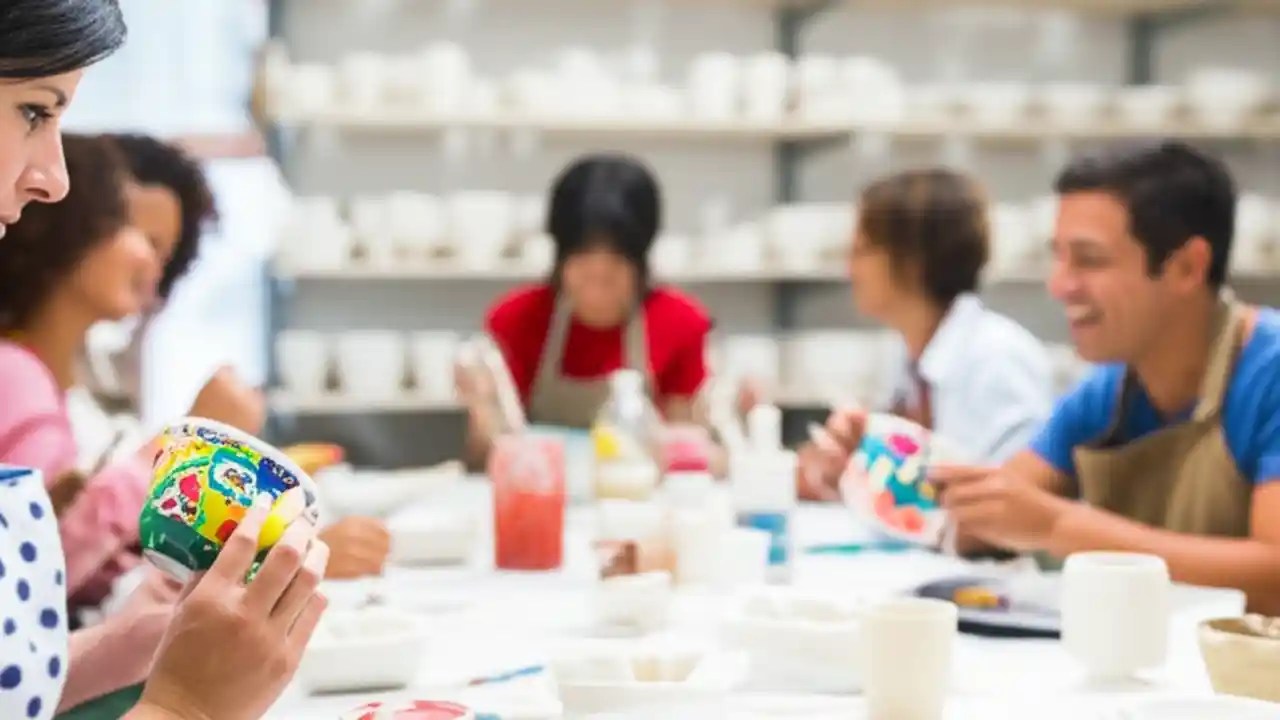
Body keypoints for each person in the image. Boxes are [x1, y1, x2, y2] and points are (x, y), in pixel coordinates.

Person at [0, 6, 326, 718]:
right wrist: (184, 704)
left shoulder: (74, 380)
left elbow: (16, 667)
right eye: (33, 112)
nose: (52, 179)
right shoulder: (17, 373)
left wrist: (162, 638)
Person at [108, 133, 390, 580]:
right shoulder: (28, 378)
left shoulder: (106, 359)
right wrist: (194, 448)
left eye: (165, 252)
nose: (153, 269)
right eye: (142, 240)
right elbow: (102, 568)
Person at [798, 169, 1053, 501]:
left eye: (862, 250)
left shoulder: (998, 358)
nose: (850, 269)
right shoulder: (908, 354)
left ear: (913, 260)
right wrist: (849, 468)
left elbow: (1010, 500)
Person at [460, 154, 713, 463]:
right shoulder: (516, 320)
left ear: (641, 257)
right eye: (582, 254)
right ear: (560, 252)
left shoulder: (680, 322)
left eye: (616, 257)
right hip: (541, 487)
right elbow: (482, 459)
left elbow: (686, 454)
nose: (598, 271)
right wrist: (482, 408)